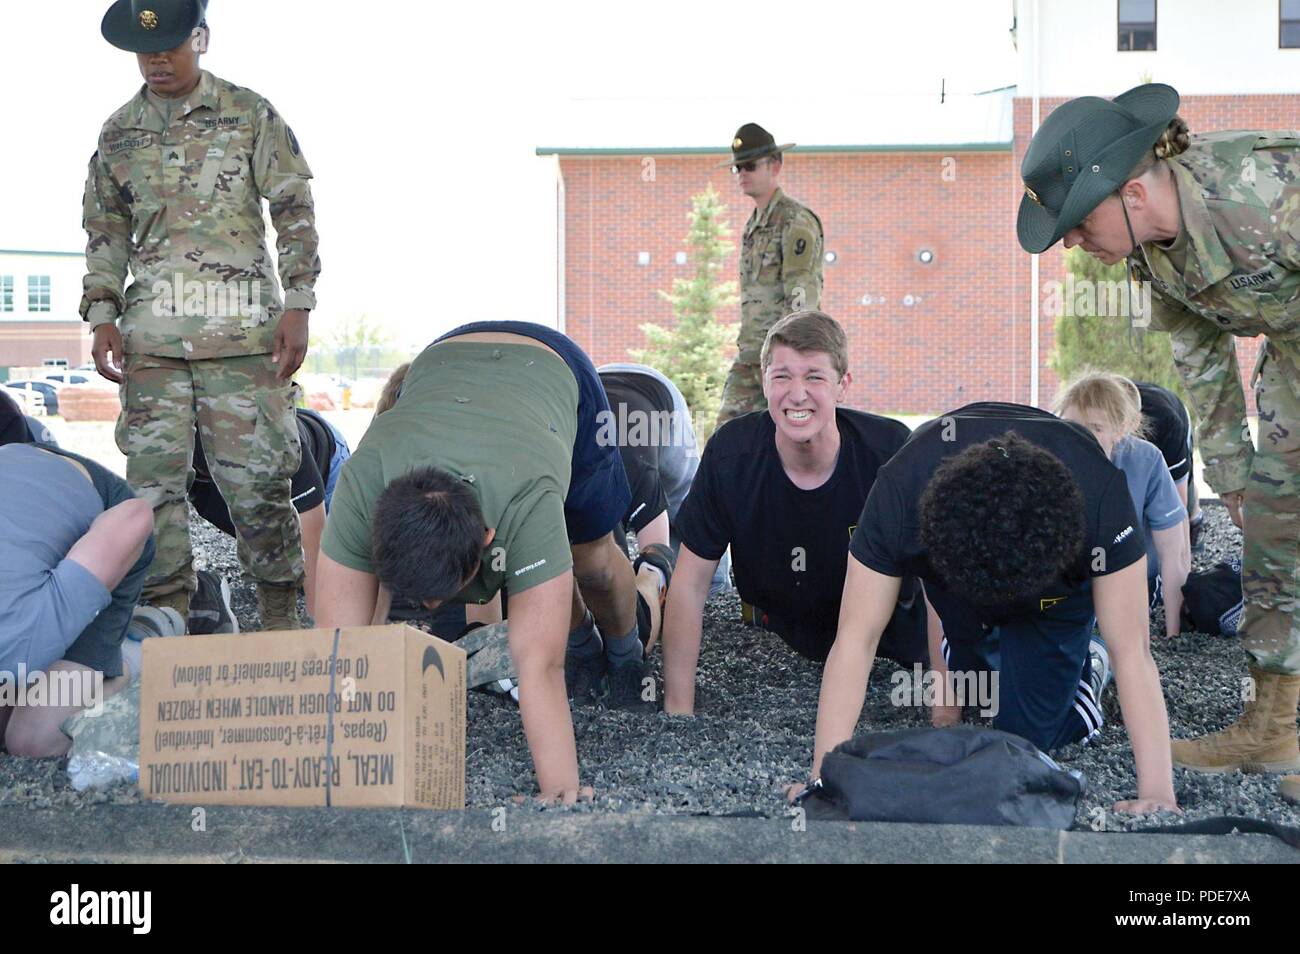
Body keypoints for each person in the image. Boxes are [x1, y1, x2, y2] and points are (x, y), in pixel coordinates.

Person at [1017, 82, 1299, 785]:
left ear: (1132, 196)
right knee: (1274, 530)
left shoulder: (1265, 194)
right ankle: (1275, 726)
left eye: (1080, 225)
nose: (1076, 243)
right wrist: (1233, 475)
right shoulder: (1150, 253)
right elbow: (1201, 354)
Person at [315, 321, 651, 804]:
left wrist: (559, 792)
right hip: (444, 356)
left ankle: (624, 651)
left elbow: (538, 666)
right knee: (561, 624)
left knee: (589, 558)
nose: (435, 605)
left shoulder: (527, 497)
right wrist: (345, 770)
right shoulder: (362, 484)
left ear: (490, 539)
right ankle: (582, 641)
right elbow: (338, 652)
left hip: (554, 369)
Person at [798, 403, 1178, 814]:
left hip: (1053, 601)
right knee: (981, 700)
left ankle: (1087, 663)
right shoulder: (899, 496)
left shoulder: (1101, 498)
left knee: (1027, 740)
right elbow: (856, 637)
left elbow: (1134, 651)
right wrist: (823, 779)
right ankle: (976, 647)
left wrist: (1158, 792)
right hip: (960, 590)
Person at [83, 0, 320, 631]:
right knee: (152, 493)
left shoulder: (248, 113)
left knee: (260, 486)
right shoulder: (118, 132)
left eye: (170, 46)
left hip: (242, 340)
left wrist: (298, 303)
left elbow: (293, 206)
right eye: (144, 49)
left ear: (202, 38)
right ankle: (170, 625)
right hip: (153, 343)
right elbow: (104, 230)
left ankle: (277, 622)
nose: (157, 59)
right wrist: (102, 313)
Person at [663, 312, 929, 715]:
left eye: (815, 377)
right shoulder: (731, 456)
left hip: (886, 641)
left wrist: (946, 705)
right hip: (774, 637)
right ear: (765, 382)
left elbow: (938, 583)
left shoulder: (889, 451)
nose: (797, 394)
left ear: (843, 386)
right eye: (783, 376)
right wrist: (677, 708)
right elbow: (690, 584)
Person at [0, 443, 155, 757]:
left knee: (33, 738)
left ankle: (144, 644)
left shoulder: (26, 634)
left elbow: (134, 517)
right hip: (23, 480)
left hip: (105, 517)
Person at [188, 404, 351, 627]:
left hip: (325, 456)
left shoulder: (280, 449)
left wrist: (318, 627)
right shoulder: (185, 470)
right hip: (237, 475)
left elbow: (314, 549)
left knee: (337, 572)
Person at [1055, 372, 1191, 637]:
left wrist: (1174, 632)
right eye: (1072, 426)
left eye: (1095, 428)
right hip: (1069, 582)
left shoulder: (1146, 461)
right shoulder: (1049, 456)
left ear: (1120, 430)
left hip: (1130, 579)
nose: (1081, 437)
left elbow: (1173, 551)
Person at [716, 123, 823, 429]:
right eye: (737, 168)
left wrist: (792, 364)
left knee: (785, 440)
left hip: (783, 360)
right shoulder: (754, 225)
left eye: (749, 165)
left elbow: (802, 301)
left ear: (775, 165)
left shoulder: (794, 222)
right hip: (752, 355)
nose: (742, 174)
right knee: (729, 439)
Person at [597, 362, 732, 597]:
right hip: (593, 384)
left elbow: (657, 556)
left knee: (688, 503)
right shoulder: (572, 486)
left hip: (658, 396)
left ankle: (715, 587)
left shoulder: (641, 481)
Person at [1134, 381, 1204, 549]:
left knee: (1181, 495)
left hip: (1170, 411)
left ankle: (1196, 521)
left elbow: (1177, 506)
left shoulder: (1167, 422)